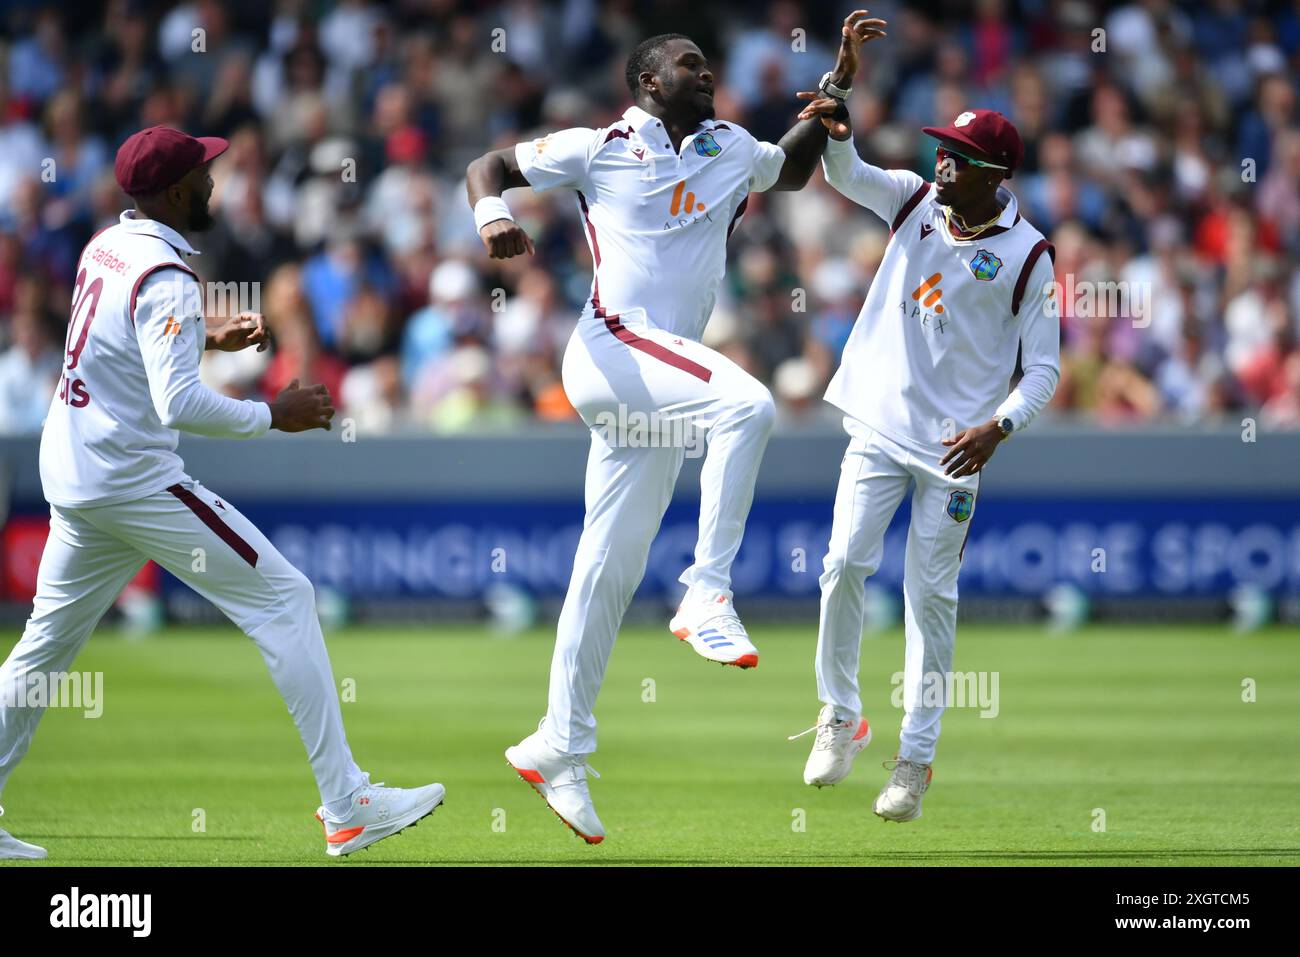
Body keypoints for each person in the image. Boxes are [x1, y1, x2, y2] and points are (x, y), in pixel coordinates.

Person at [0, 126, 443, 860]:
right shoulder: (166, 276)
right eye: (203, 173)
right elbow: (180, 406)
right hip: (129, 476)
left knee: (43, 650)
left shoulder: (107, 245)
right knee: (286, 596)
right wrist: (277, 413)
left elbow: (123, 334)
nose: (214, 181)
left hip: (75, 466)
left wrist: (203, 334)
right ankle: (348, 804)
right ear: (175, 193)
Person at [465, 30, 850, 843]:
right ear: (647, 80)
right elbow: (489, 165)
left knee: (606, 567)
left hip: (656, 387)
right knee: (748, 406)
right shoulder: (598, 146)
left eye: (708, 66)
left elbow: (787, 166)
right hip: (609, 349)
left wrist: (829, 97)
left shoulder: (730, 146)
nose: (706, 74)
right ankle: (707, 591)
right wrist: (491, 212)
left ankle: (557, 743)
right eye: (689, 66)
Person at [791, 13, 1060, 823]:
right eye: (943, 148)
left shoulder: (1029, 255)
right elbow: (845, 170)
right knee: (841, 564)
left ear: (995, 175)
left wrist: (999, 427)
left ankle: (915, 760)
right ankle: (840, 715)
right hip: (877, 421)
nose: (942, 159)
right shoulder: (914, 199)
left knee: (927, 600)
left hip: (955, 450)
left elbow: (1042, 369)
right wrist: (837, 95)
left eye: (960, 155)